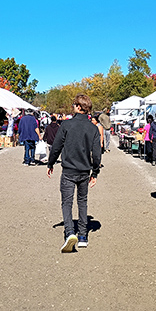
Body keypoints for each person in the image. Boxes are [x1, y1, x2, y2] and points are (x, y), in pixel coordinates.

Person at [47, 94, 101, 253]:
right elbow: (97, 153)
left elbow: (56, 146)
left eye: (73, 105)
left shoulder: (66, 125)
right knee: (82, 202)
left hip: (69, 170)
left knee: (67, 202)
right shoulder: (93, 128)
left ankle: (70, 232)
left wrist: (50, 163)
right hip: (84, 171)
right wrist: (95, 172)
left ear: (78, 107)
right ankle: (83, 236)